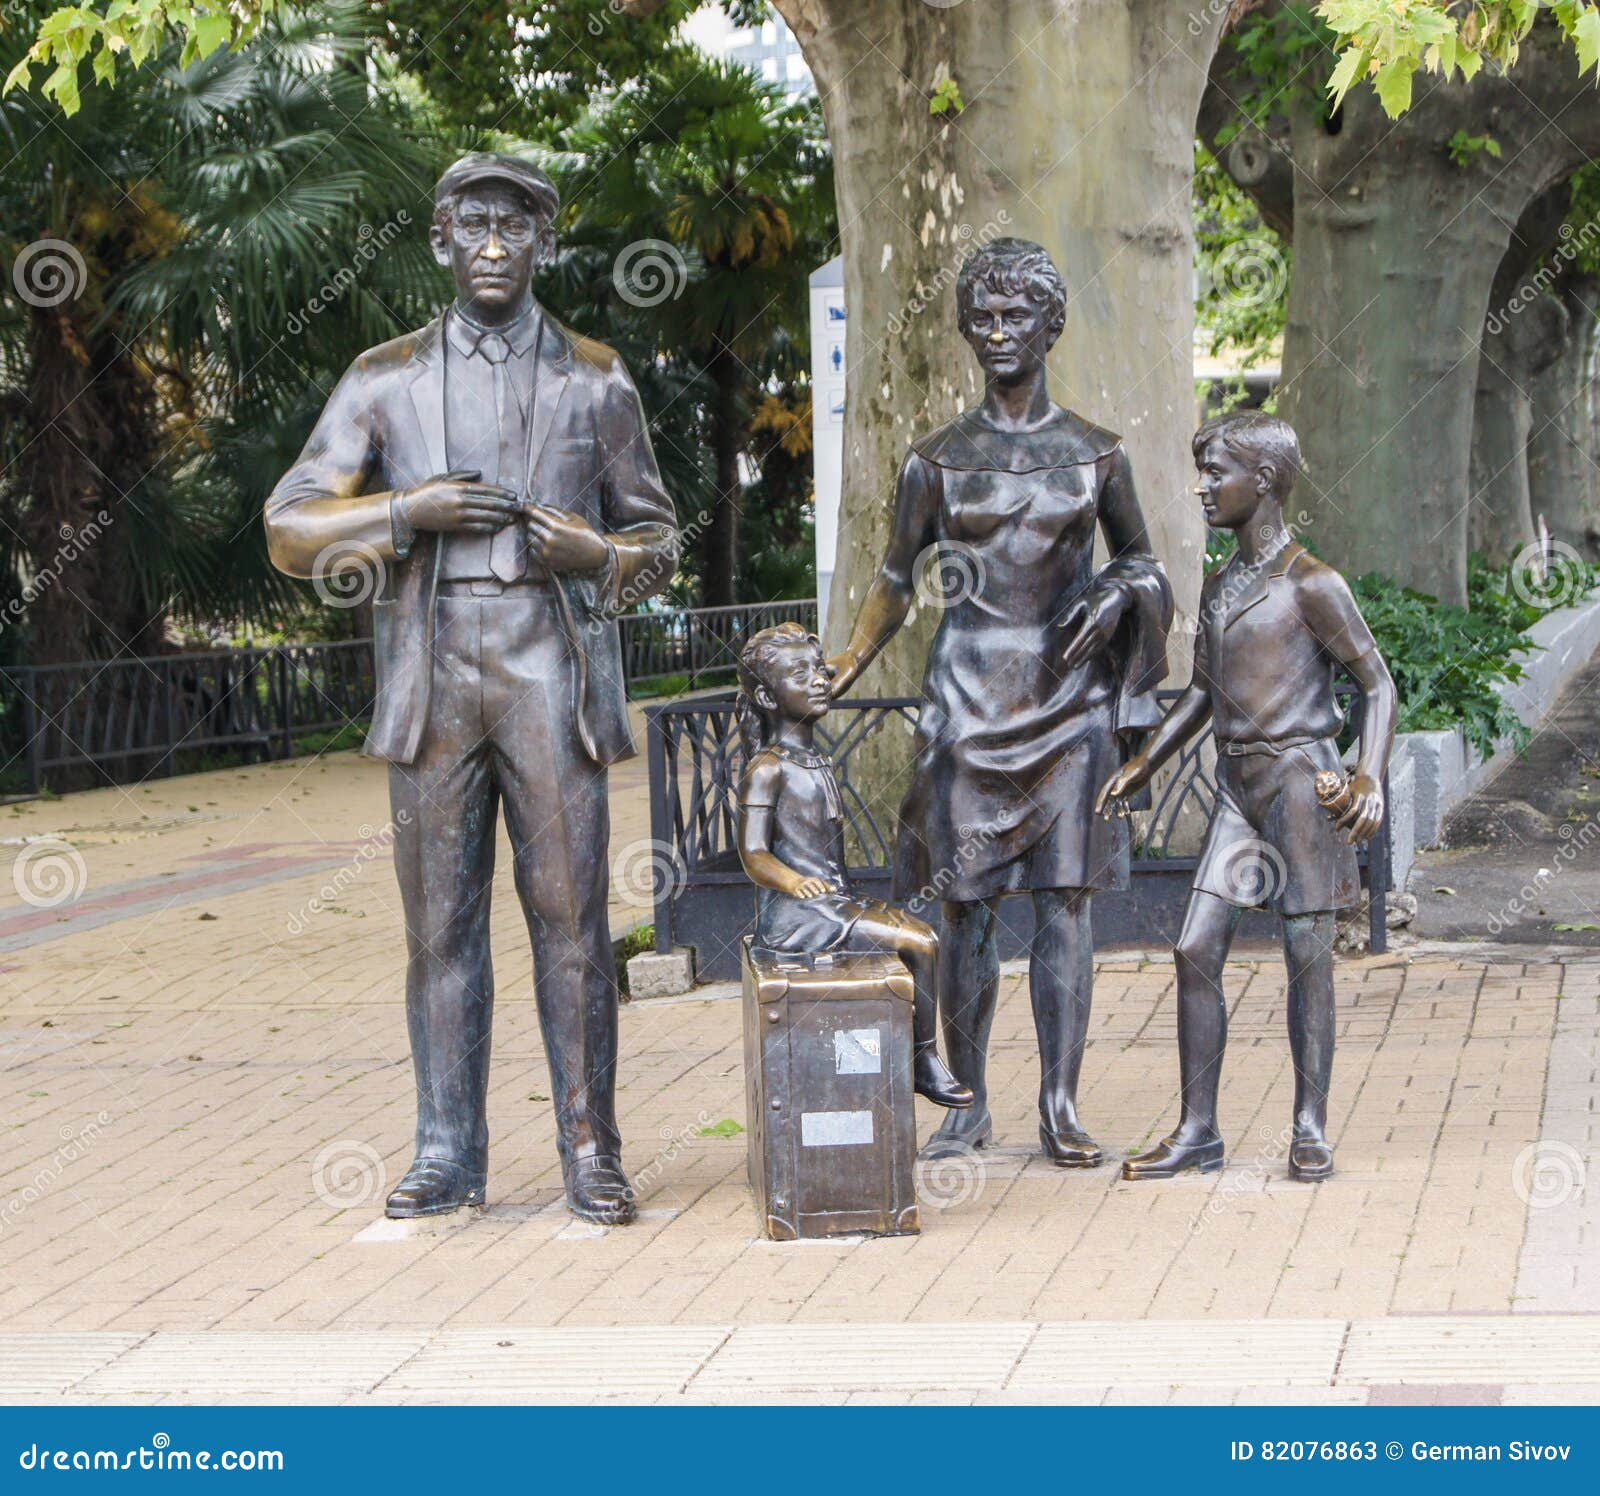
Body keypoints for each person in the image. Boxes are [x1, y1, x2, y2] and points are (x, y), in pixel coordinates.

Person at [265, 153, 679, 1224]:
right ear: (443, 240)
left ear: (545, 242)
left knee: (574, 924)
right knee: (440, 931)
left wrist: (597, 553)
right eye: (475, 226)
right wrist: (406, 513)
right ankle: (446, 1146)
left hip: (550, 666)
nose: (495, 245)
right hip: (435, 672)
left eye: (517, 225)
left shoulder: (596, 376)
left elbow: (659, 535)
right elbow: (289, 526)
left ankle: (592, 1143)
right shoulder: (383, 377)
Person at [828, 238, 1172, 1164]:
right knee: (963, 907)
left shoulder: (1096, 453)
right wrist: (845, 666)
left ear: (1052, 324)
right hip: (968, 700)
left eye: (1019, 314)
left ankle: (1060, 1102)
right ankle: (968, 1101)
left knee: (1066, 904)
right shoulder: (935, 459)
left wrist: (1118, 592)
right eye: (983, 315)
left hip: (1070, 704)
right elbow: (895, 579)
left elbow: (1143, 561)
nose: (1000, 330)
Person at [1097, 411, 1396, 1182]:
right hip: (1239, 790)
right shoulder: (1225, 580)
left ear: (1261, 483)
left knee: (1307, 957)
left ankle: (1310, 1125)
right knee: (1195, 947)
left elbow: (1377, 683)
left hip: (1300, 781)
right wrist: (1145, 763)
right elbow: (1202, 693)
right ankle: (1200, 1129)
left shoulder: (1313, 583)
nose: (1201, 488)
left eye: (1214, 473)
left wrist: (1369, 775)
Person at [735, 623, 973, 1109]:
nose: (820, 679)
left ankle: (920, 1056)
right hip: (797, 920)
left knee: (920, 932)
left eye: (818, 669)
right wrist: (794, 881)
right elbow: (753, 854)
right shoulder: (767, 768)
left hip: (832, 903)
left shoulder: (815, 759)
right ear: (766, 695)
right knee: (921, 942)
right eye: (799, 674)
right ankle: (922, 1059)